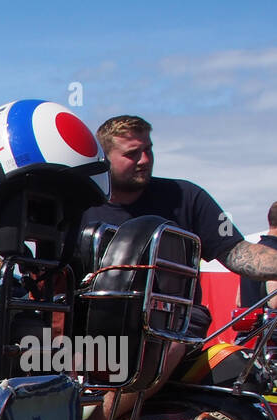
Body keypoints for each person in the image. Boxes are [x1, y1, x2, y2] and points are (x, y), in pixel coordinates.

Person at [81, 115, 277, 347]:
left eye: (148, 150)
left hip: (176, 326)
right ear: (104, 157)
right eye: (132, 154)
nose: (144, 160)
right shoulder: (80, 205)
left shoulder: (188, 196)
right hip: (95, 326)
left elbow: (237, 252)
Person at [237, 200, 277, 311]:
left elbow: (239, 301)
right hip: (269, 326)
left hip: (250, 325)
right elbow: (274, 302)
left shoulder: (251, 254)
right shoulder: (274, 254)